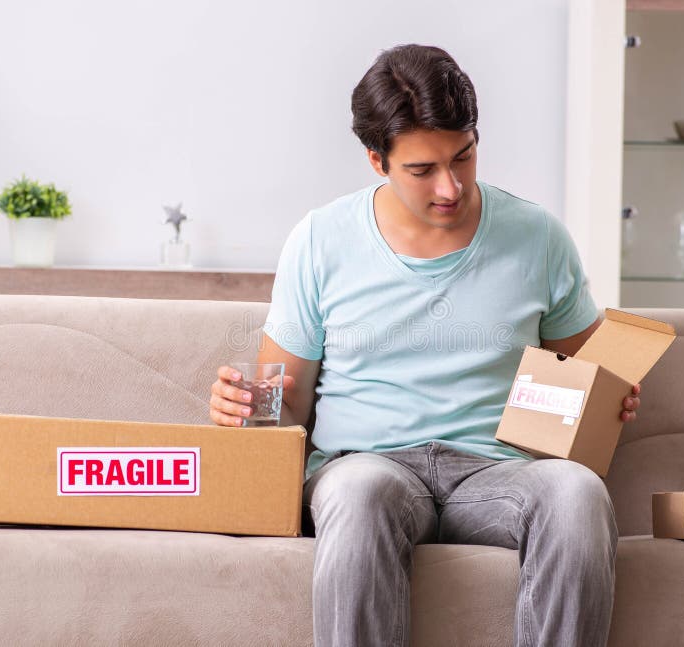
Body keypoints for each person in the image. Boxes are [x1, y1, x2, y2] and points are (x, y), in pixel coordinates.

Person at [210, 44, 640, 647]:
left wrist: (610, 395)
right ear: (376, 159)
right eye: (422, 170)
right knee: (359, 494)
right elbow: (285, 407)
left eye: (463, 157)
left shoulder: (536, 236)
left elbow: (589, 371)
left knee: (576, 493)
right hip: (366, 466)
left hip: (498, 474)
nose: (451, 186)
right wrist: (243, 408)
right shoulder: (320, 241)